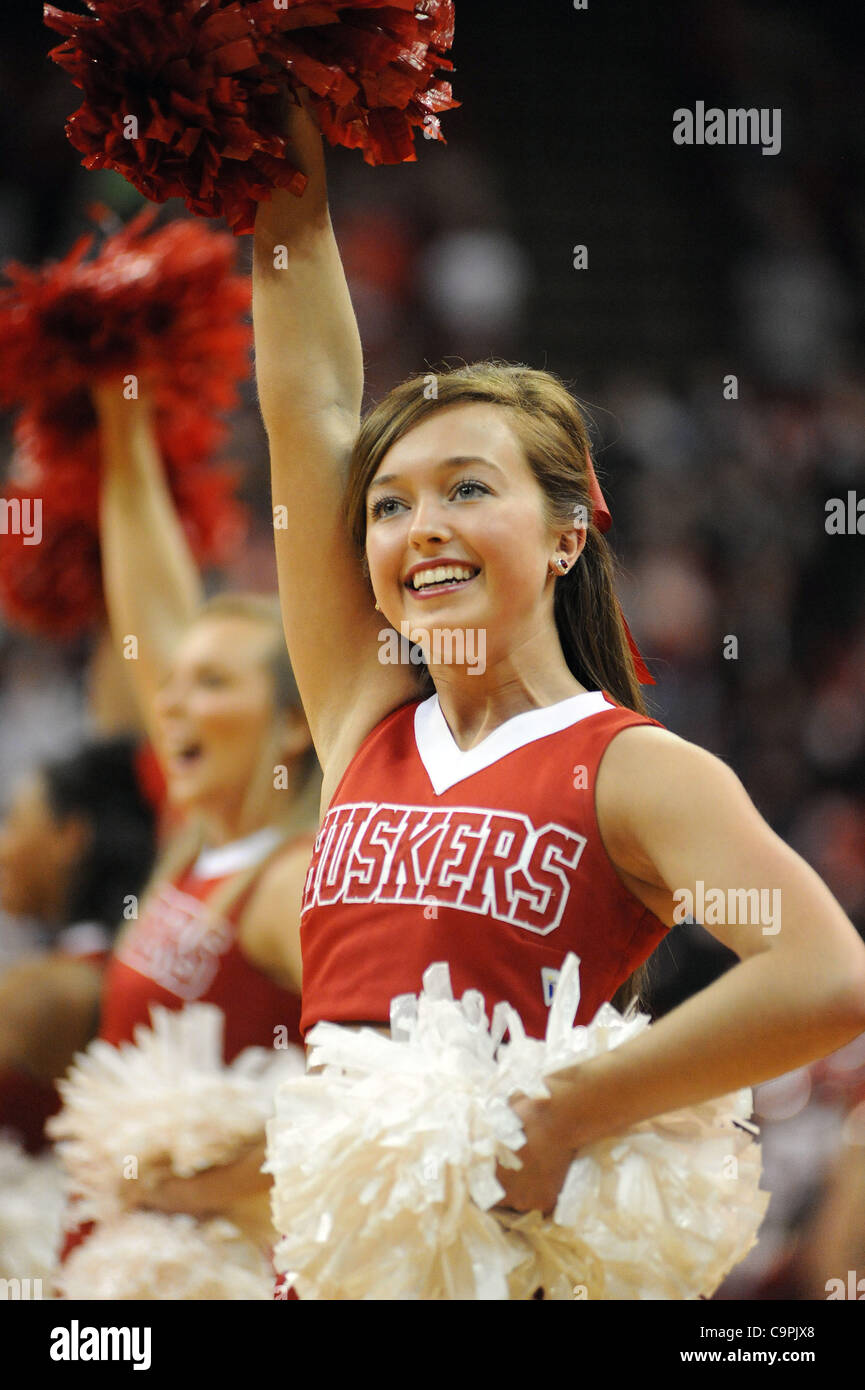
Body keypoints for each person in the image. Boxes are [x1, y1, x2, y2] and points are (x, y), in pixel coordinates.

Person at [252, 95, 865, 1232]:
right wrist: (285, 105)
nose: (419, 526)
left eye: (467, 490)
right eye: (388, 506)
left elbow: (826, 975)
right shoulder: (364, 716)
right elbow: (311, 408)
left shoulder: (633, 769)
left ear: (566, 533)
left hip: (505, 1263)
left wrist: (566, 1111)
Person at [57, 380, 320, 1241]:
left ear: (288, 726)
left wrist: (215, 1188)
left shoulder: (291, 880)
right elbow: (152, 608)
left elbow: (382, 1082)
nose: (170, 703)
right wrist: (123, 415)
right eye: (173, 683)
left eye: (211, 684)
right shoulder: (197, 837)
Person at [0, 736, 157, 1153]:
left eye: (13, 822)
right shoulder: (118, 952)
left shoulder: (56, 988)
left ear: (71, 837)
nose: (2, 847)